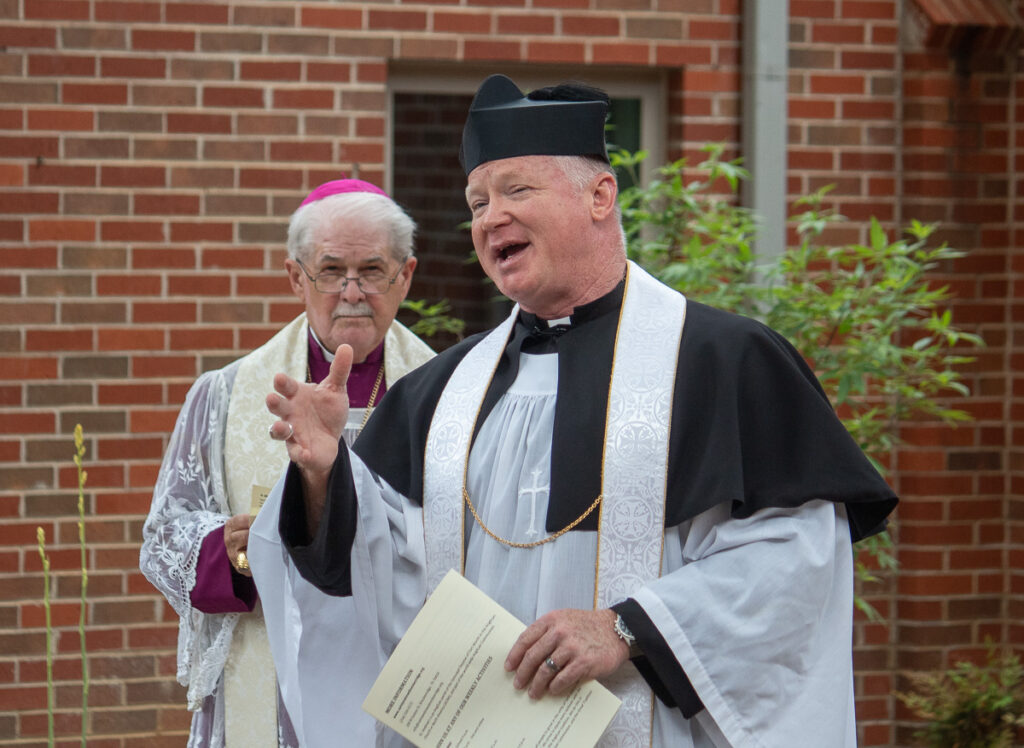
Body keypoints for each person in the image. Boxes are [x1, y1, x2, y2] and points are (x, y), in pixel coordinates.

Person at [259, 75, 899, 747]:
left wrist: (628, 627)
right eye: (477, 202)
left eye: (516, 191)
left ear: (600, 196)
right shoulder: (440, 393)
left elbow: (794, 560)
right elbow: (378, 577)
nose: (490, 218)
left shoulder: (723, 361)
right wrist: (325, 475)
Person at [139, 179, 435, 748]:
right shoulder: (225, 395)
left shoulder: (453, 395)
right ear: (296, 278)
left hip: (399, 684)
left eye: (373, 271)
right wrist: (230, 551)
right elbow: (163, 537)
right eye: (331, 271)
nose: (352, 292)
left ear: (406, 276)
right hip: (276, 693)